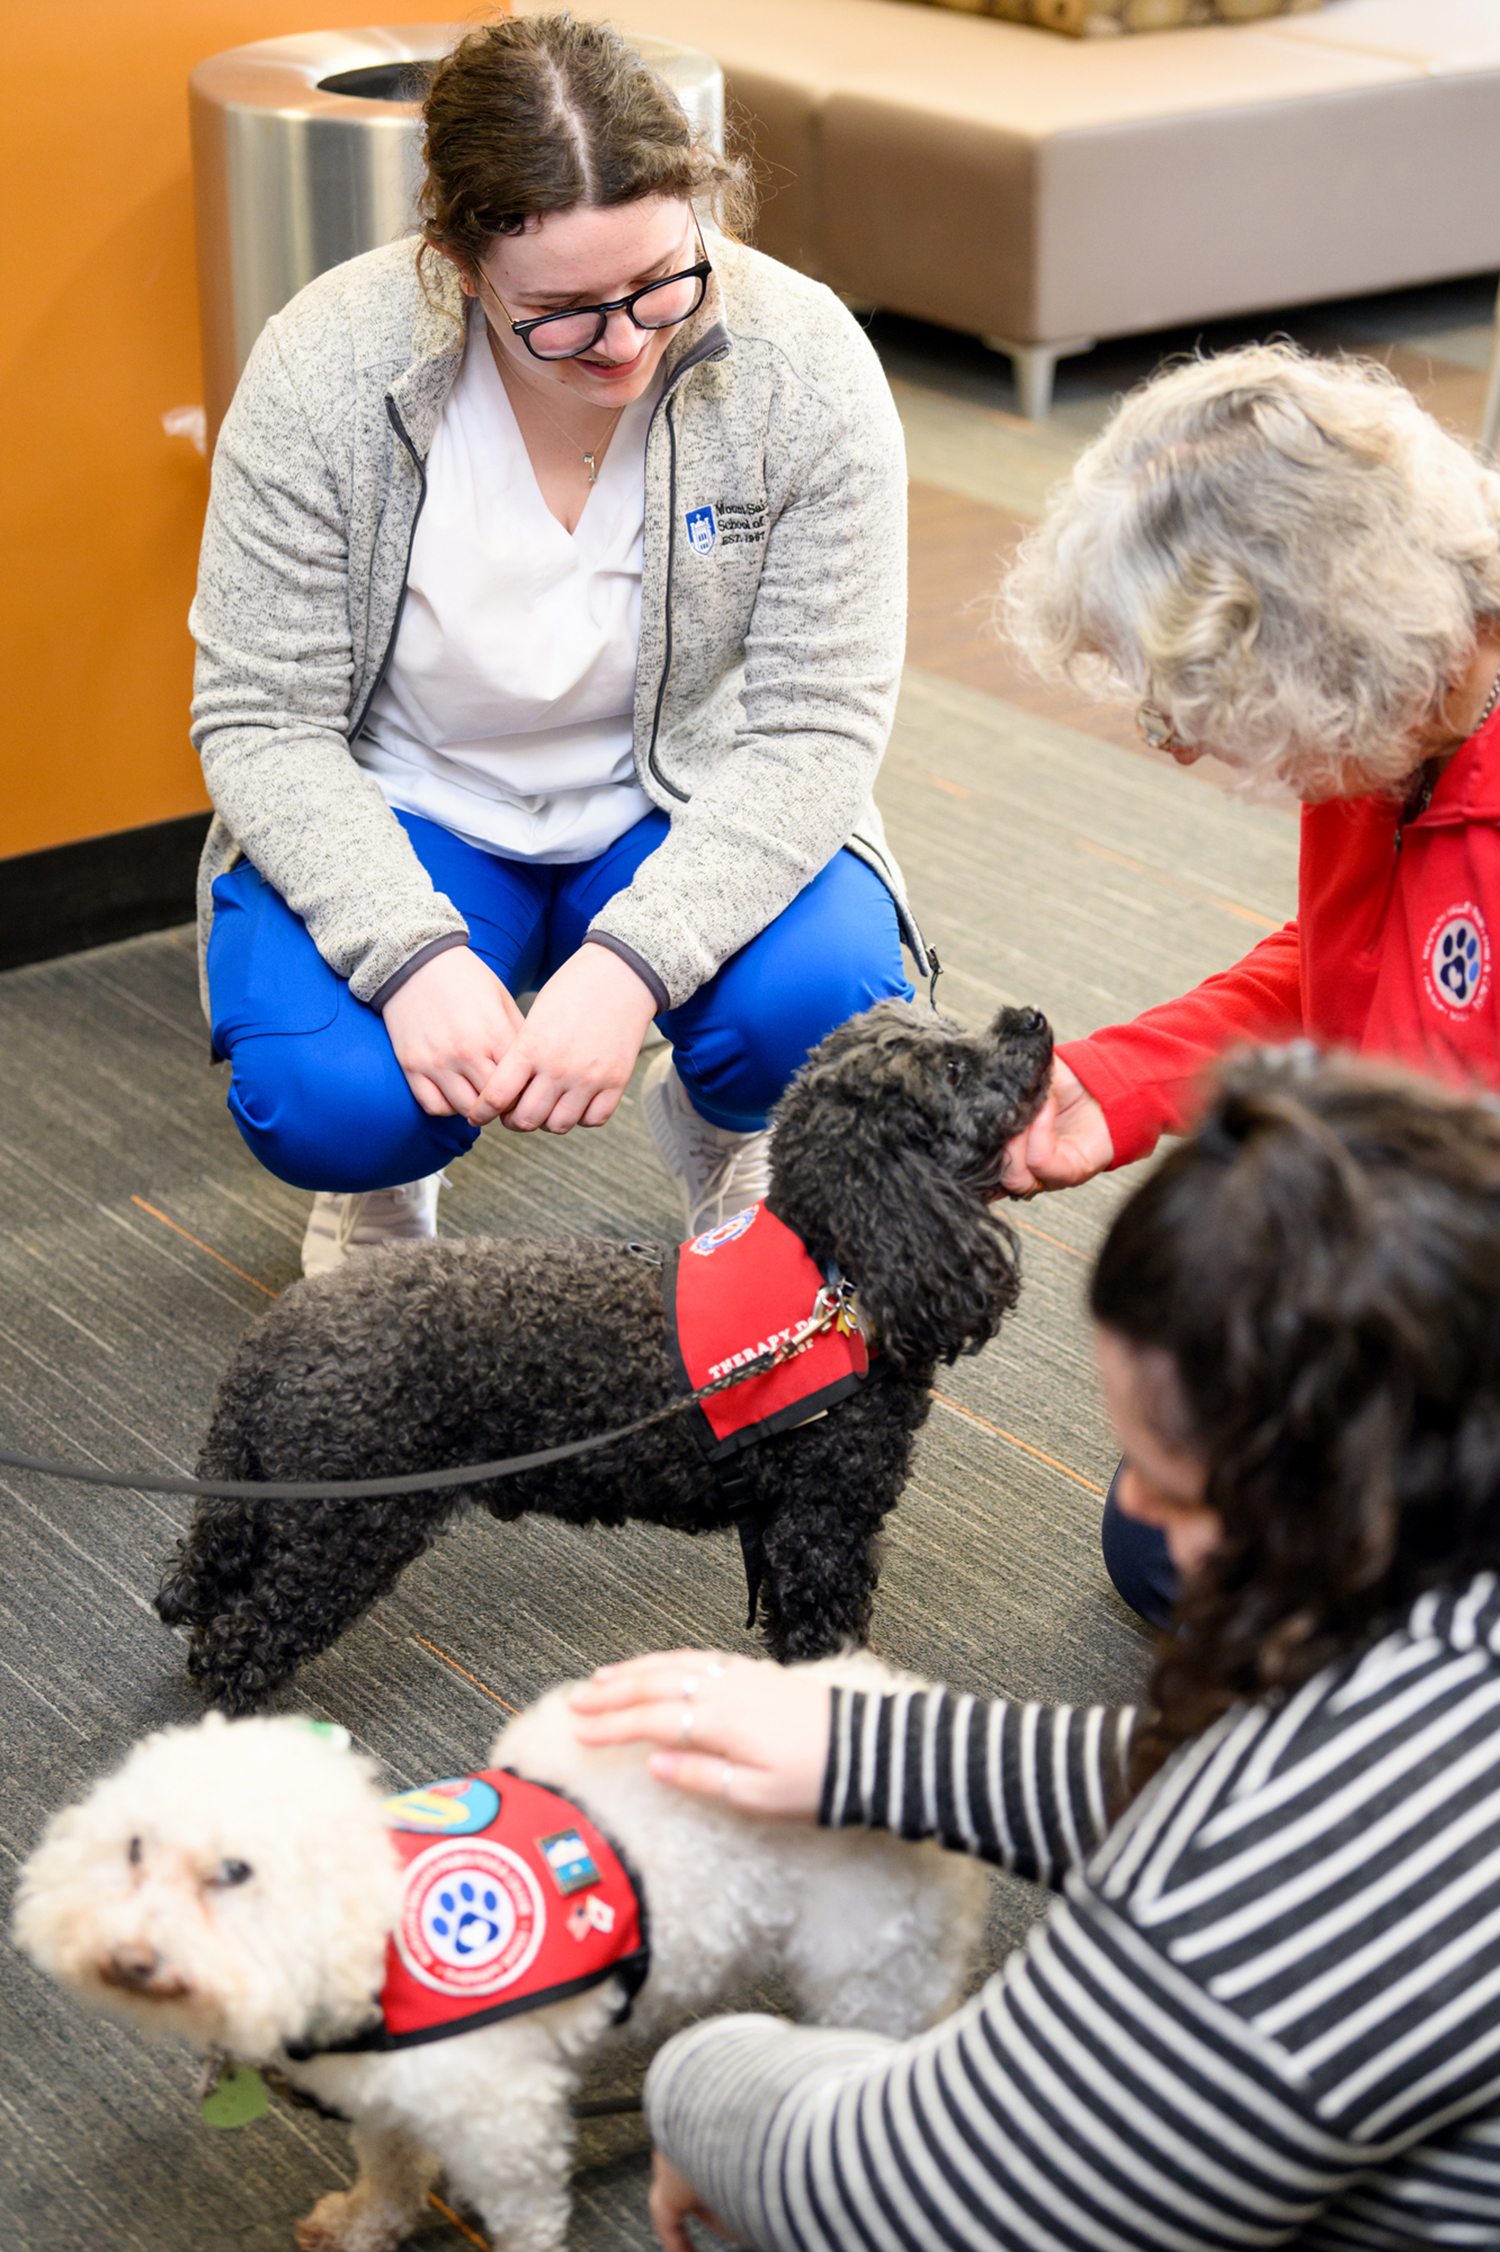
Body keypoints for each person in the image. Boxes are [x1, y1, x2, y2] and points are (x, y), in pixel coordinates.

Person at [572, 1048, 1500, 2251]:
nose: (1147, 1516)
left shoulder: (1273, 1909)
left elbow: (913, 2189)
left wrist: (704, 2072)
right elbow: (1260, 1782)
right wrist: (875, 1744)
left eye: (1170, 1480)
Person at [190, 15, 924, 1276]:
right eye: (567, 314)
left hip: (675, 799)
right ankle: (388, 1181)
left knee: (823, 1008)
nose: (629, 343)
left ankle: (714, 1121)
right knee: (336, 1099)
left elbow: (818, 728)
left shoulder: (804, 363)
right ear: (461, 267)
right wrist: (407, 952)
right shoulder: (327, 365)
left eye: (661, 283)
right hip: (414, 801)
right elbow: (262, 717)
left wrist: (634, 963)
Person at [994, 342, 1500, 1619]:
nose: (1180, 750)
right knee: (1174, 1535)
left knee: (1234, 1551)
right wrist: (1115, 1085)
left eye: (1193, 709)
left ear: (1325, 650)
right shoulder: (1392, 731)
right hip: (1415, 1245)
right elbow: (1342, 974)